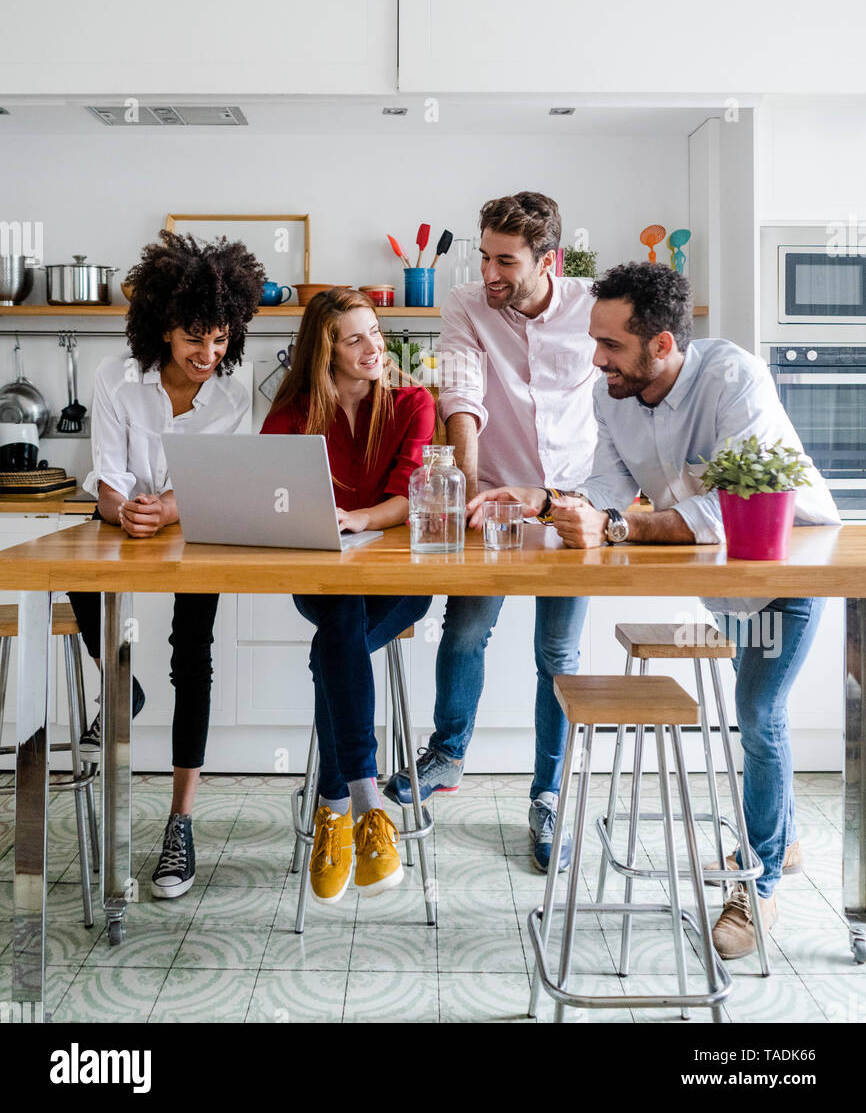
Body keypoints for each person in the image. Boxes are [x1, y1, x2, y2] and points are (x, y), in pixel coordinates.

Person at [470, 261, 840, 957]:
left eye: (610, 345)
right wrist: (576, 508)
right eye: (593, 340)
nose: (595, 359)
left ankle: (755, 890)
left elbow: (735, 509)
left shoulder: (733, 379)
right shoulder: (613, 394)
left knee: (760, 716)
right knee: (756, 713)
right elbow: (611, 482)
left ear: (662, 344)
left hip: (786, 566)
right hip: (722, 584)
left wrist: (617, 526)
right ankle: (781, 838)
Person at [384, 193, 597, 872]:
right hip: (496, 500)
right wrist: (467, 492)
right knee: (467, 628)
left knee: (557, 657)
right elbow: (461, 393)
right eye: (485, 255)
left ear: (549, 260)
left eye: (507, 260)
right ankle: (448, 755)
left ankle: (548, 795)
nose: (491, 272)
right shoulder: (468, 303)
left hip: (571, 503)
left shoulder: (594, 304)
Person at [68, 230, 265, 899]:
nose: (208, 355)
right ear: (162, 329)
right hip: (127, 522)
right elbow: (107, 473)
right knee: (76, 574)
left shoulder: (233, 392)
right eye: (193, 340)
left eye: (219, 340)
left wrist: (173, 507)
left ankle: (180, 820)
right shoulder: (116, 378)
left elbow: (228, 477)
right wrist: (125, 510)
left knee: (192, 651)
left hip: (198, 529)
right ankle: (122, 684)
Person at [261, 288, 435, 904]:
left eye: (377, 332)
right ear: (324, 349)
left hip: (398, 585)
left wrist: (359, 519)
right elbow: (270, 491)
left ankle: (334, 807)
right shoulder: (295, 407)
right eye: (354, 338)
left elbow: (410, 495)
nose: (373, 347)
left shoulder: (414, 401)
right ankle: (368, 805)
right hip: (322, 576)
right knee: (337, 615)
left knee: (331, 650)